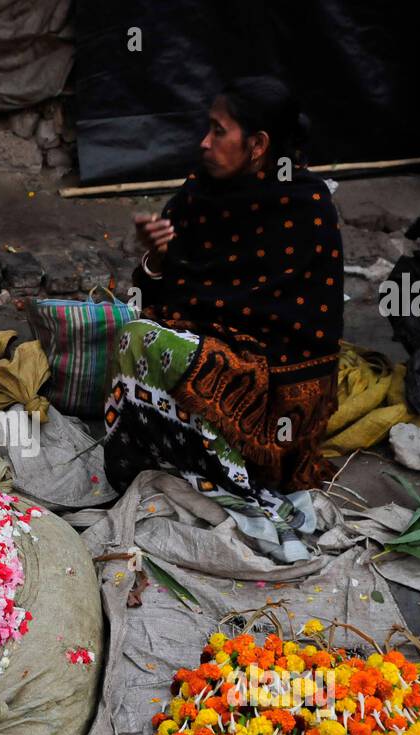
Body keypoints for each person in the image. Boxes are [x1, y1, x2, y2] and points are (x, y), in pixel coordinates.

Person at [106, 76, 343, 562]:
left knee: (145, 341)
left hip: (275, 382)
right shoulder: (202, 192)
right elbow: (161, 285)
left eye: (218, 131)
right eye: (207, 129)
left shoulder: (305, 205)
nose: (204, 143)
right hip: (214, 342)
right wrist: (158, 259)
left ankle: (239, 485)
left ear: (258, 145)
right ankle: (167, 456)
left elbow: (274, 316)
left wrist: (184, 306)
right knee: (134, 331)